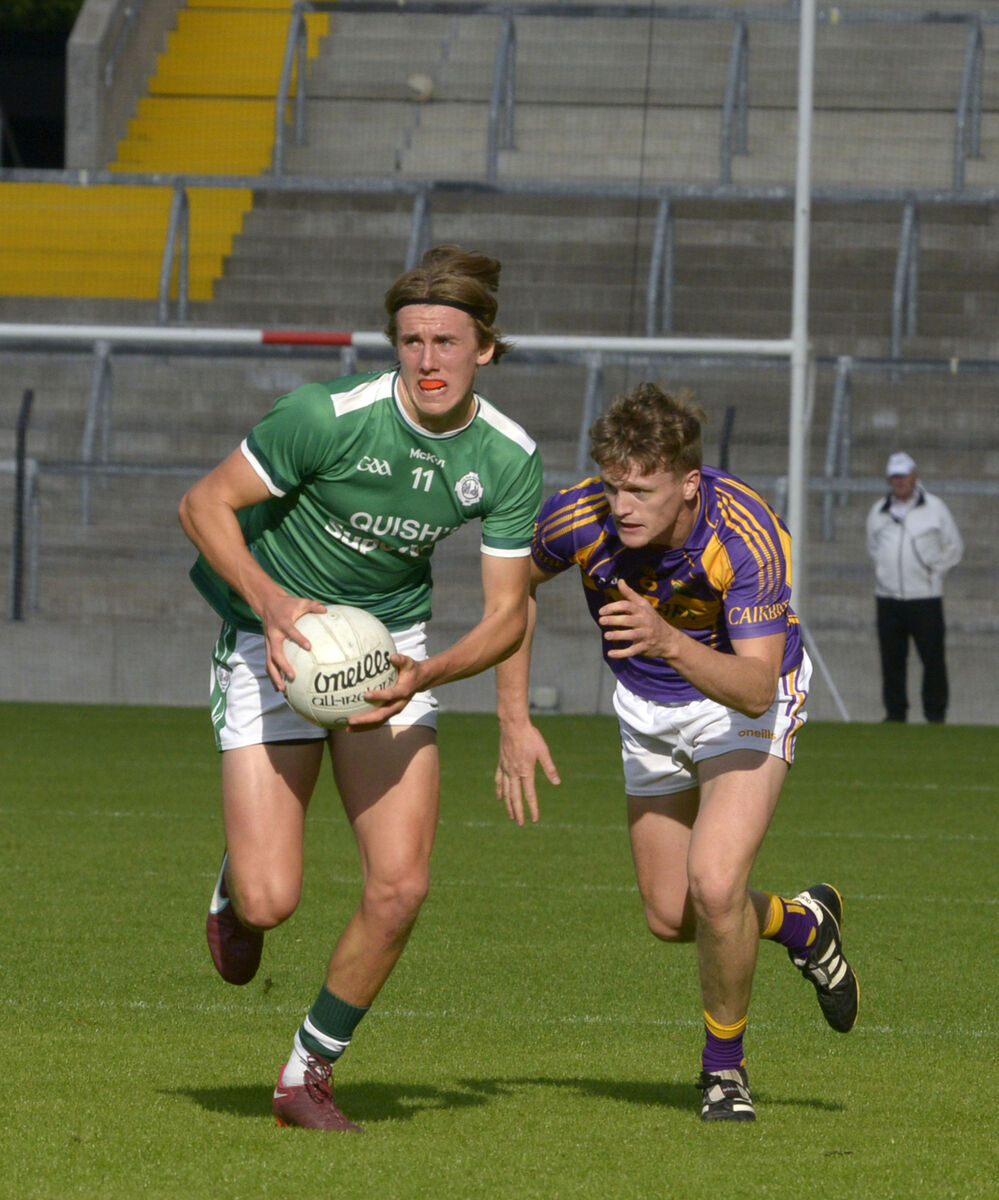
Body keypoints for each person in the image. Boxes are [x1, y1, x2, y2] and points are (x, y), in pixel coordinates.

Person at [178, 245, 542, 1132]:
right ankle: (236, 889)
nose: (427, 360)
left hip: (387, 650)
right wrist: (270, 606)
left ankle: (306, 1074)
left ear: (484, 349)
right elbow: (202, 506)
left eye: (446, 342)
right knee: (272, 900)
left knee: (400, 885)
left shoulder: (506, 458)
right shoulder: (327, 417)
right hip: (278, 639)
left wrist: (439, 677)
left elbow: (507, 613)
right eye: (411, 341)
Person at [494, 383, 859, 1123]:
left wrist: (665, 638)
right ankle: (800, 923)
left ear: (688, 483)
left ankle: (722, 1071)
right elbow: (512, 592)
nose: (621, 505)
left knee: (715, 884)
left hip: (742, 700)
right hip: (646, 708)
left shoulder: (746, 533)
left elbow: (755, 688)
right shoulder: (579, 518)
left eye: (641, 490)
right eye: (612, 486)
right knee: (671, 914)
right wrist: (512, 718)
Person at [866, 451, 963, 724]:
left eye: (904, 475)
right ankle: (895, 714)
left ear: (915, 476)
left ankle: (935, 714)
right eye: (895, 476)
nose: (900, 481)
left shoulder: (935, 508)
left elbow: (954, 547)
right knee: (892, 660)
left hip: (925, 598)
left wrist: (933, 570)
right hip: (888, 599)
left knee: (932, 659)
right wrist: (886, 574)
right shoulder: (878, 511)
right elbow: (873, 548)